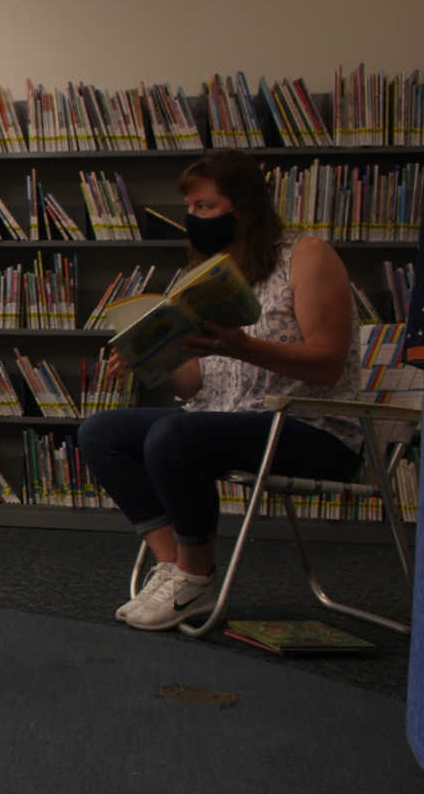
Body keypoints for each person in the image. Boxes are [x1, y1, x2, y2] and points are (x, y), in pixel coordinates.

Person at [77, 148, 363, 632]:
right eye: (189, 209)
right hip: (224, 416)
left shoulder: (307, 255)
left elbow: (329, 365)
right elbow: (196, 383)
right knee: (100, 432)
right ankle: (173, 565)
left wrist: (243, 347)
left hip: (307, 426)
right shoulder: (208, 272)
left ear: (244, 207)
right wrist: (150, 358)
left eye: (205, 207)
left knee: (174, 437)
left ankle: (197, 572)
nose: (194, 219)